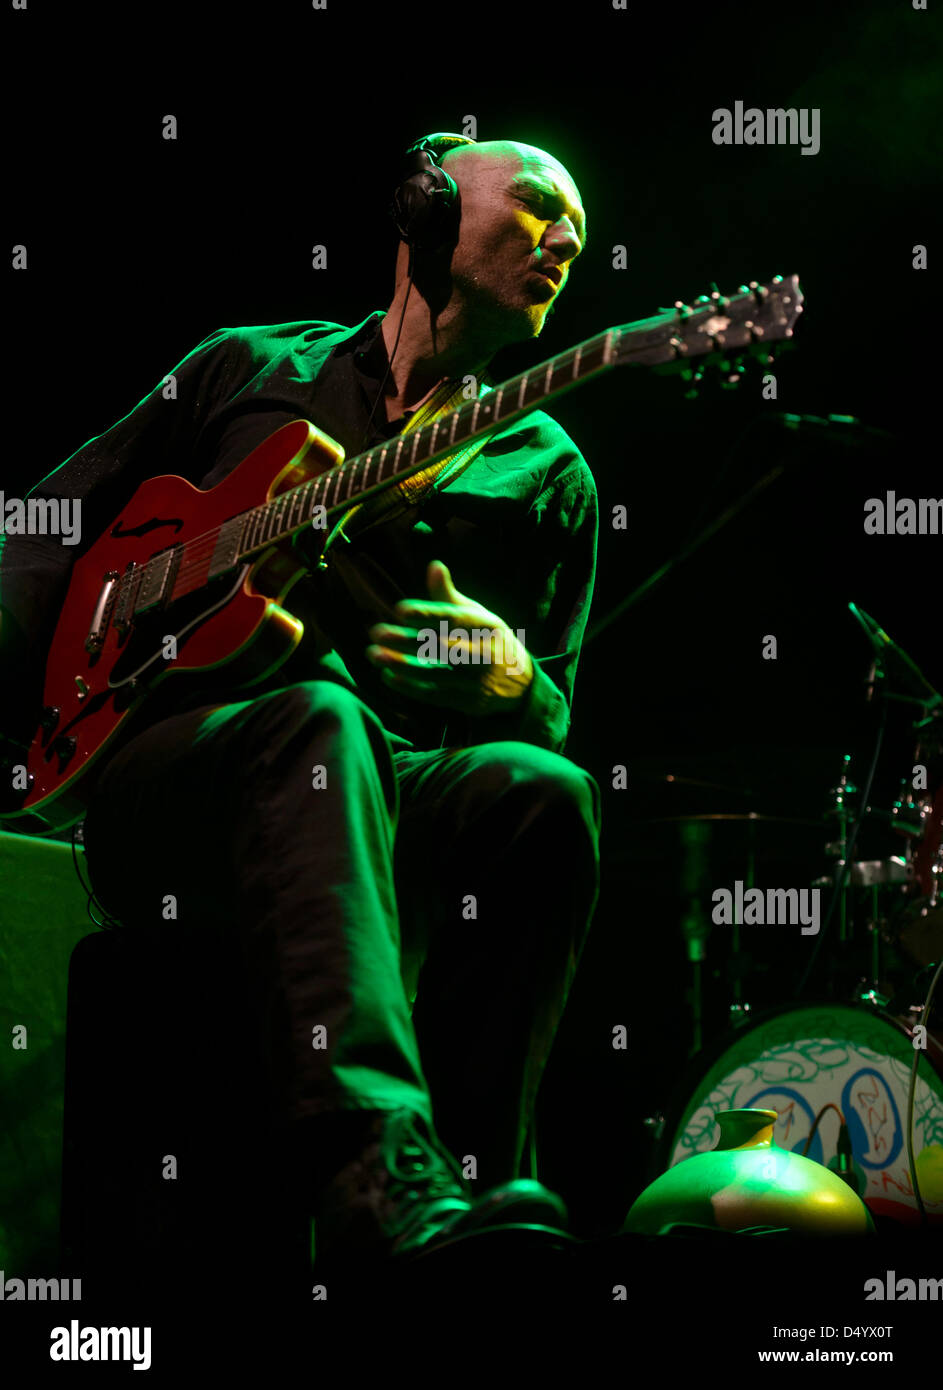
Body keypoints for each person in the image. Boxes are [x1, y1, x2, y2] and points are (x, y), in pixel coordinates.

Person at [0, 134, 601, 1268]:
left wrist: (519, 684)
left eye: (579, 231)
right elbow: (39, 532)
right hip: (168, 779)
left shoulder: (547, 468)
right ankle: (373, 1177)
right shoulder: (247, 365)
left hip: (381, 802)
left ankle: (471, 1201)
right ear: (426, 213)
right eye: (535, 207)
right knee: (316, 720)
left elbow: (560, 706)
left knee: (541, 787)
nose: (566, 240)